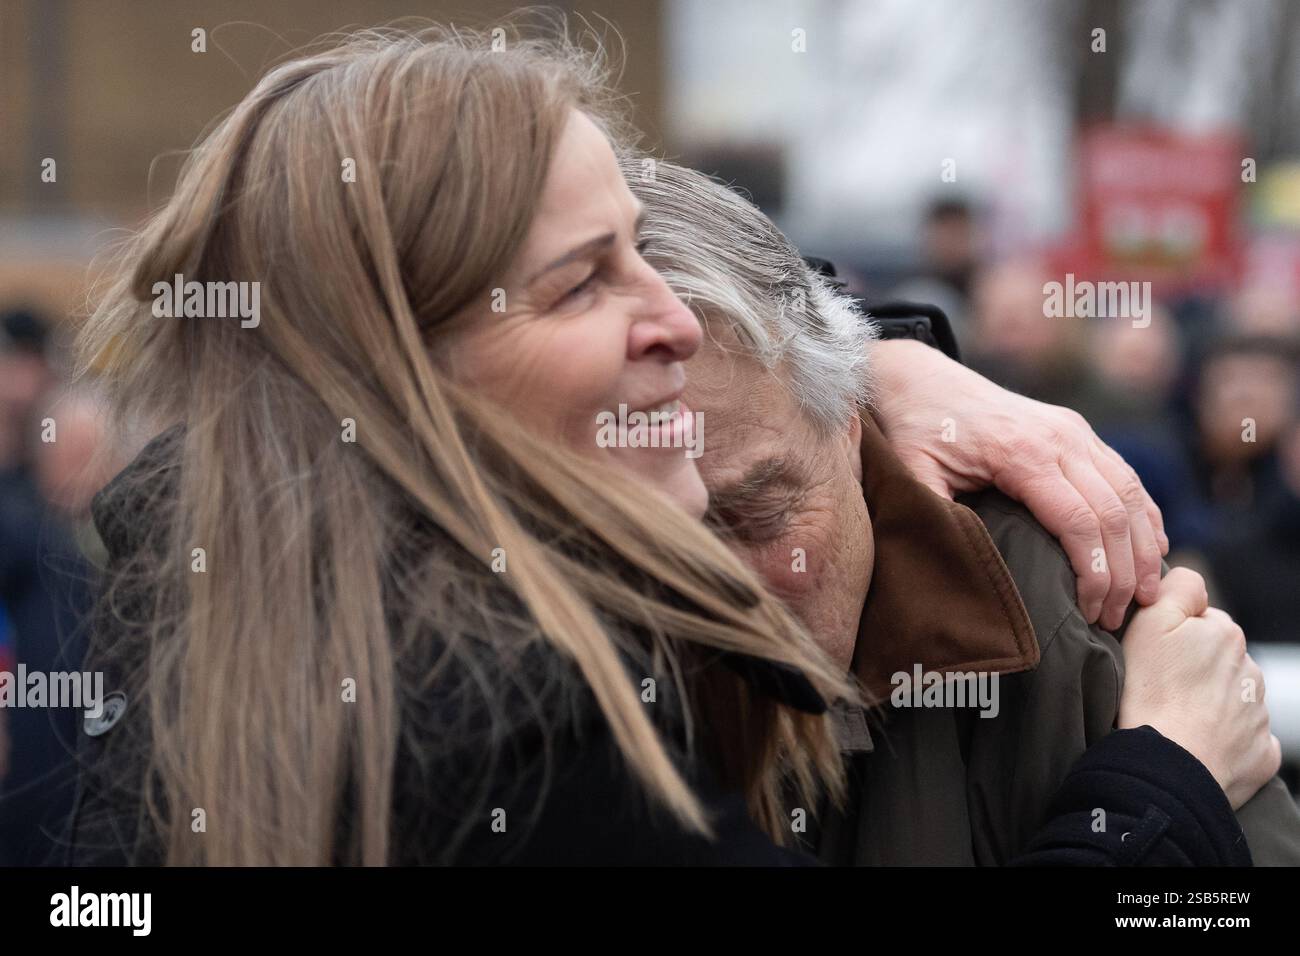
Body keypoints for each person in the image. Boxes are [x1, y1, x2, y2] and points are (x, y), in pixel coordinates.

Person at [58, 23, 1265, 867]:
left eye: (758, 502)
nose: (670, 321)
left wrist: (875, 352)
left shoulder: (217, 603)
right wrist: (1157, 790)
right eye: (587, 280)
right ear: (415, 382)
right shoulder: (516, 721)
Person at [630, 159, 1291, 864]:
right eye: (640, 545)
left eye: (757, 515)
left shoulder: (1044, 588)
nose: (716, 594)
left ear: (851, 423)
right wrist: (1158, 804)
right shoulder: (541, 696)